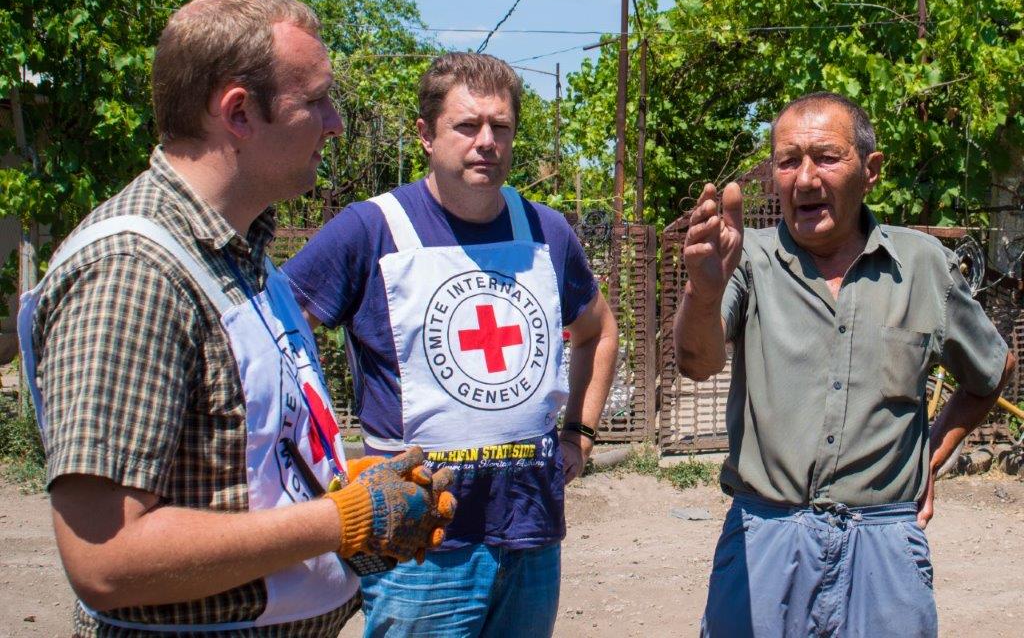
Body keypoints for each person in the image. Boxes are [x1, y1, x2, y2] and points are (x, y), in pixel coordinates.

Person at [18, 0, 454, 636]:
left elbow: (239, 464)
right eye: (316, 101)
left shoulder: (239, 252)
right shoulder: (136, 270)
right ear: (239, 113)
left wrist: (331, 486)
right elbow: (105, 557)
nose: (335, 123)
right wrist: (340, 521)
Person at [284, 51, 618, 637]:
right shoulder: (373, 229)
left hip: (531, 532)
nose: (486, 141)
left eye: (501, 127)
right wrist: (323, 473)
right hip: (420, 542)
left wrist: (579, 435)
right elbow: (279, 340)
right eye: (467, 126)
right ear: (425, 135)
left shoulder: (546, 231)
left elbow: (598, 330)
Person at [673, 92, 1016, 638]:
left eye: (826, 157)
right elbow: (696, 362)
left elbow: (992, 371)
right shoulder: (749, 261)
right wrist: (704, 290)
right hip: (766, 534)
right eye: (788, 161)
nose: (805, 178)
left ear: (870, 170)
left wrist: (932, 456)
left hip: (883, 542)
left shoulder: (922, 265)